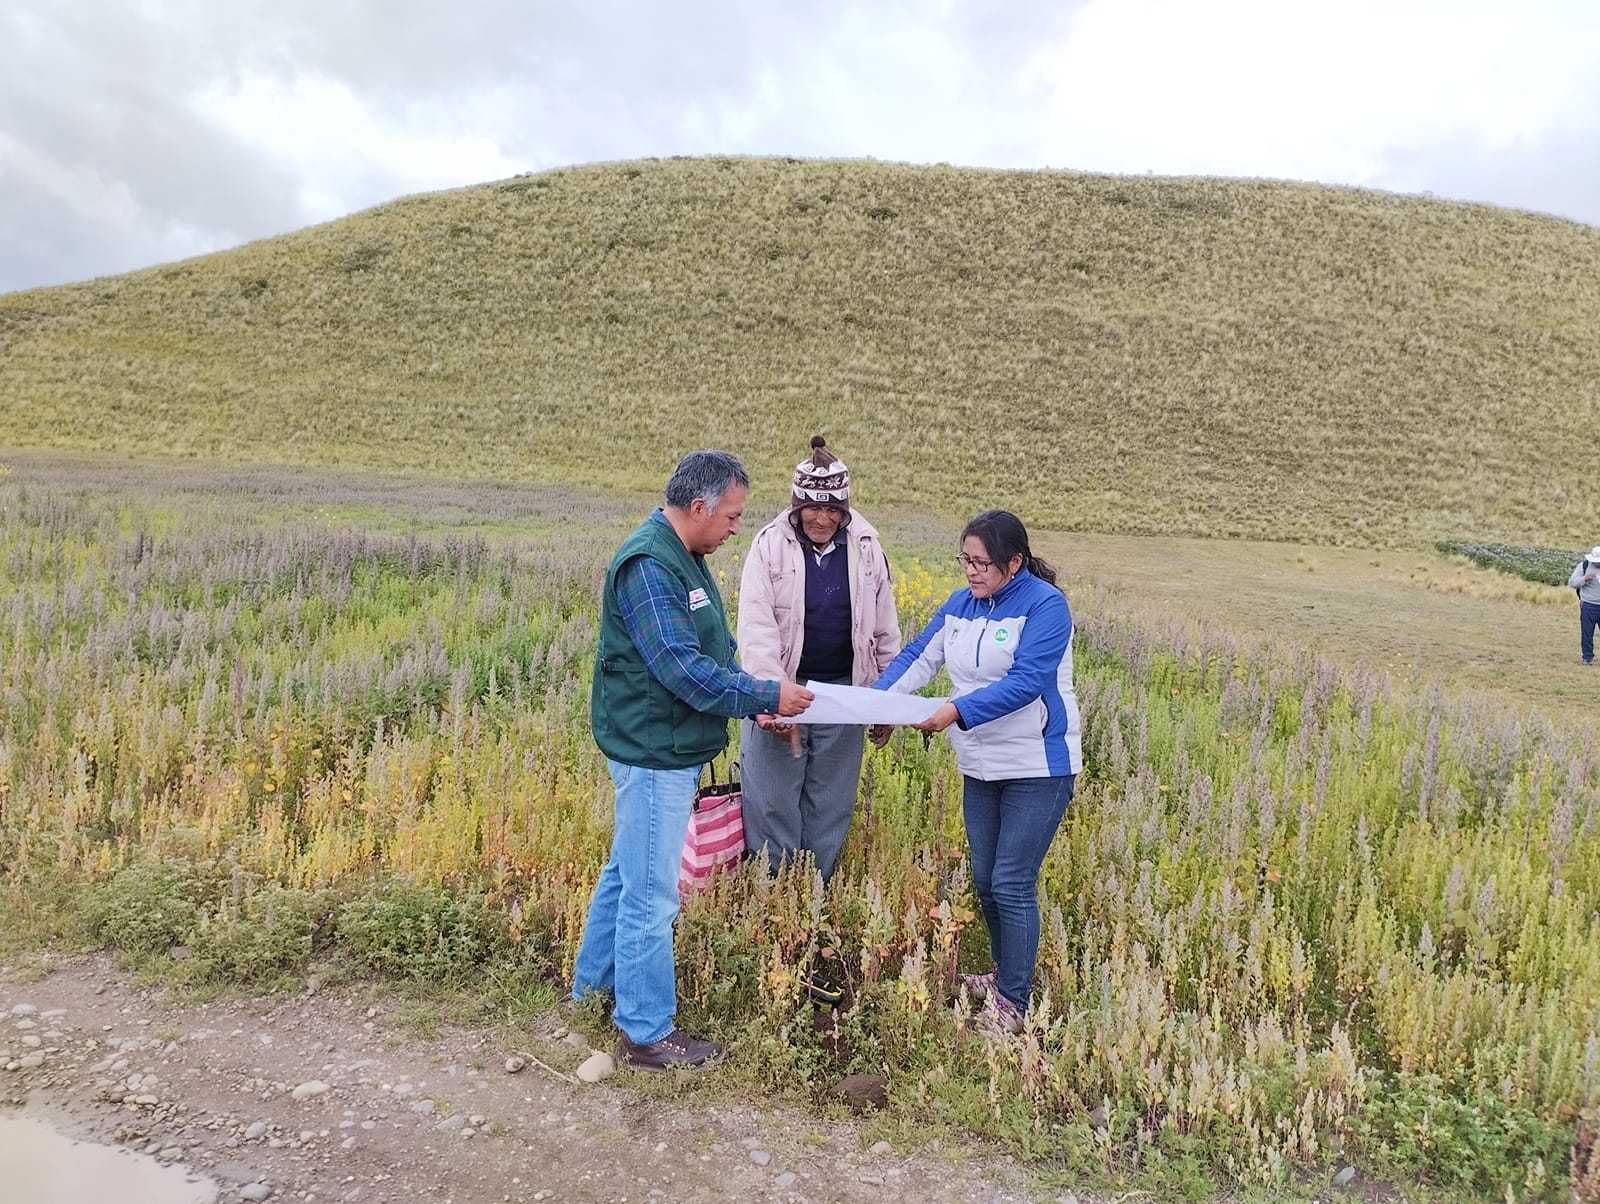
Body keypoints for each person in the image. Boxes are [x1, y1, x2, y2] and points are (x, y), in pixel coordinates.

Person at [573, 450, 814, 1070]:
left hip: (664, 741)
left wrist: (751, 700)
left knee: (627, 872)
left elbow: (710, 650)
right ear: (700, 508)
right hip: (654, 749)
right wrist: (764, 693)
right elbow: (681, 669)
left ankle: (590, 991)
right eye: (732, 515)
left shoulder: (687, 557)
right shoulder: (651, 566)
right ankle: (646, 1033)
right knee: (652, 894)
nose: (738, 526)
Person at [872, 510, 1081, 1036]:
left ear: (1014, 562)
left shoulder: (1046, 607)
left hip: (1037, 764)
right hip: (980, 764)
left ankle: (1014, 1003)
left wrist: (955, 712)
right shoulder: (961, 605)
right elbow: (921, 656)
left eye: (981, 562)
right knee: (986, 882)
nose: (970, 571)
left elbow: (1029, 680)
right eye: (964, 560)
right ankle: (1002, 976)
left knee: (1011, 881)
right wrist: (876, 703)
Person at [736, 435, 901, 883]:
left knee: (830, 801)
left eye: (833, 510)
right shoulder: (770, 546)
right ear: (797, 506)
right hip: (787, 689)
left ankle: (813, 892)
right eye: (814, 508)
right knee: (772, 798)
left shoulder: (866, 547)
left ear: (845, 510)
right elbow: (756, 627)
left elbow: (885, 627)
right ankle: (773, 895)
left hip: (843, 695)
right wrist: (771, 693)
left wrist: (885, 698)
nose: (823, 518)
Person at [1571, 546, 1600, 665]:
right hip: (1588, 606)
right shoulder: (1583, 566)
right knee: (1587, 633)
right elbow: (1572, 582)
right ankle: (1587, 658)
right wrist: (1585, 579)